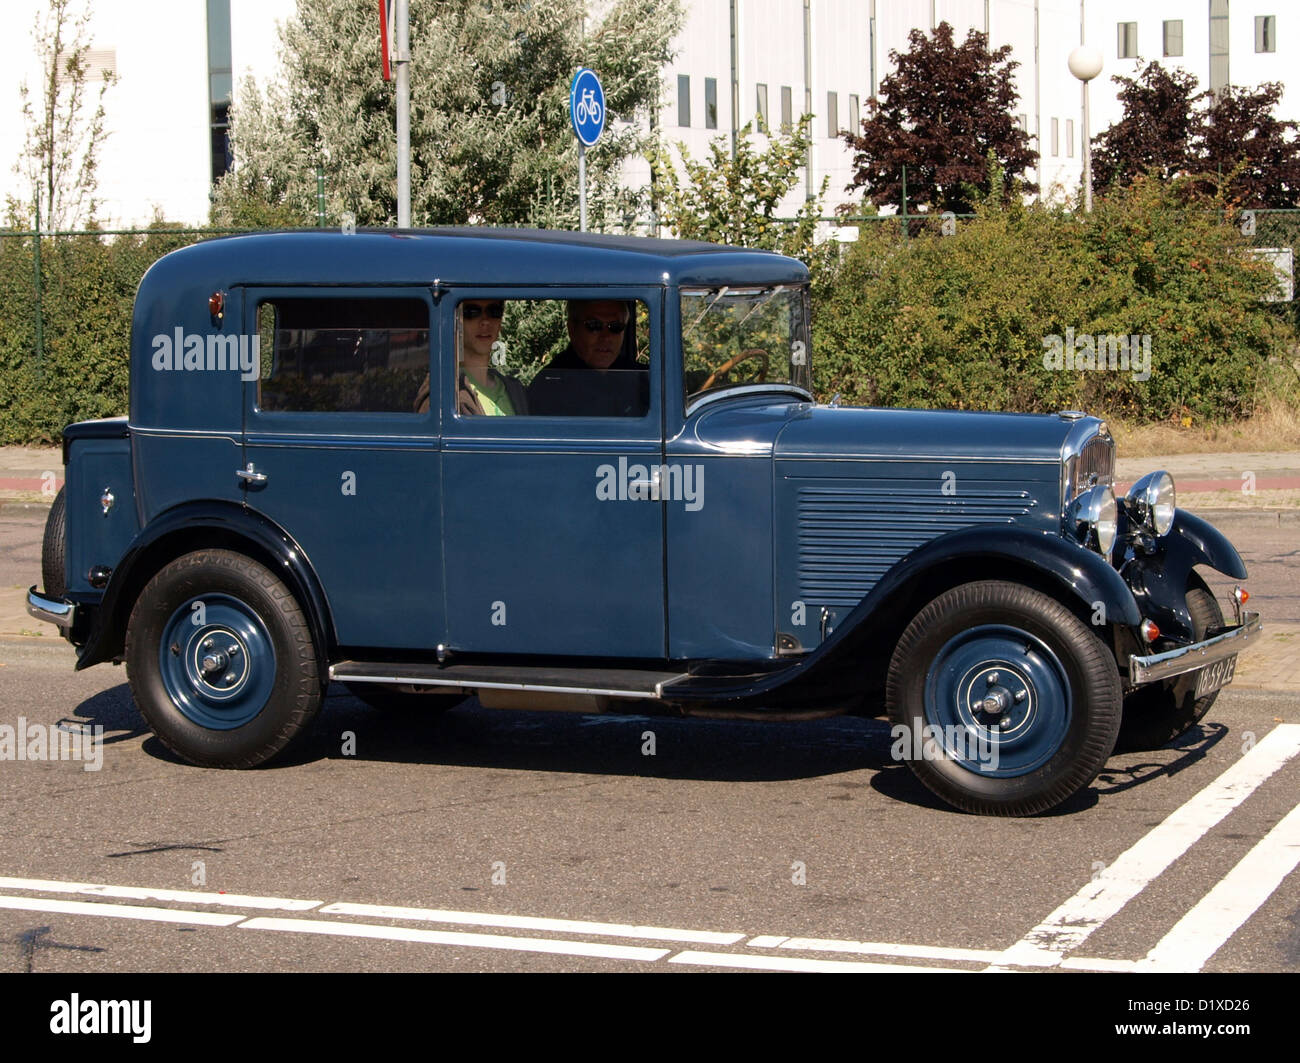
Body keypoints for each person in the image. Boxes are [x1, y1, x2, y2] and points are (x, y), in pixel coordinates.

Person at [526, 299, 648, 417]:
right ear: (572, 329)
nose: (605, 337)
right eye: (594, 326)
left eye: (615, 327)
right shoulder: (550, 385)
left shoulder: (642, 379)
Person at [414, 299, 527, 415]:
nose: (485, 321)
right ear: (456, 322)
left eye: (494, 311)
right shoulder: (442, 394)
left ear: (500, 322)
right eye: (472, 312)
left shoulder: (516, 391)